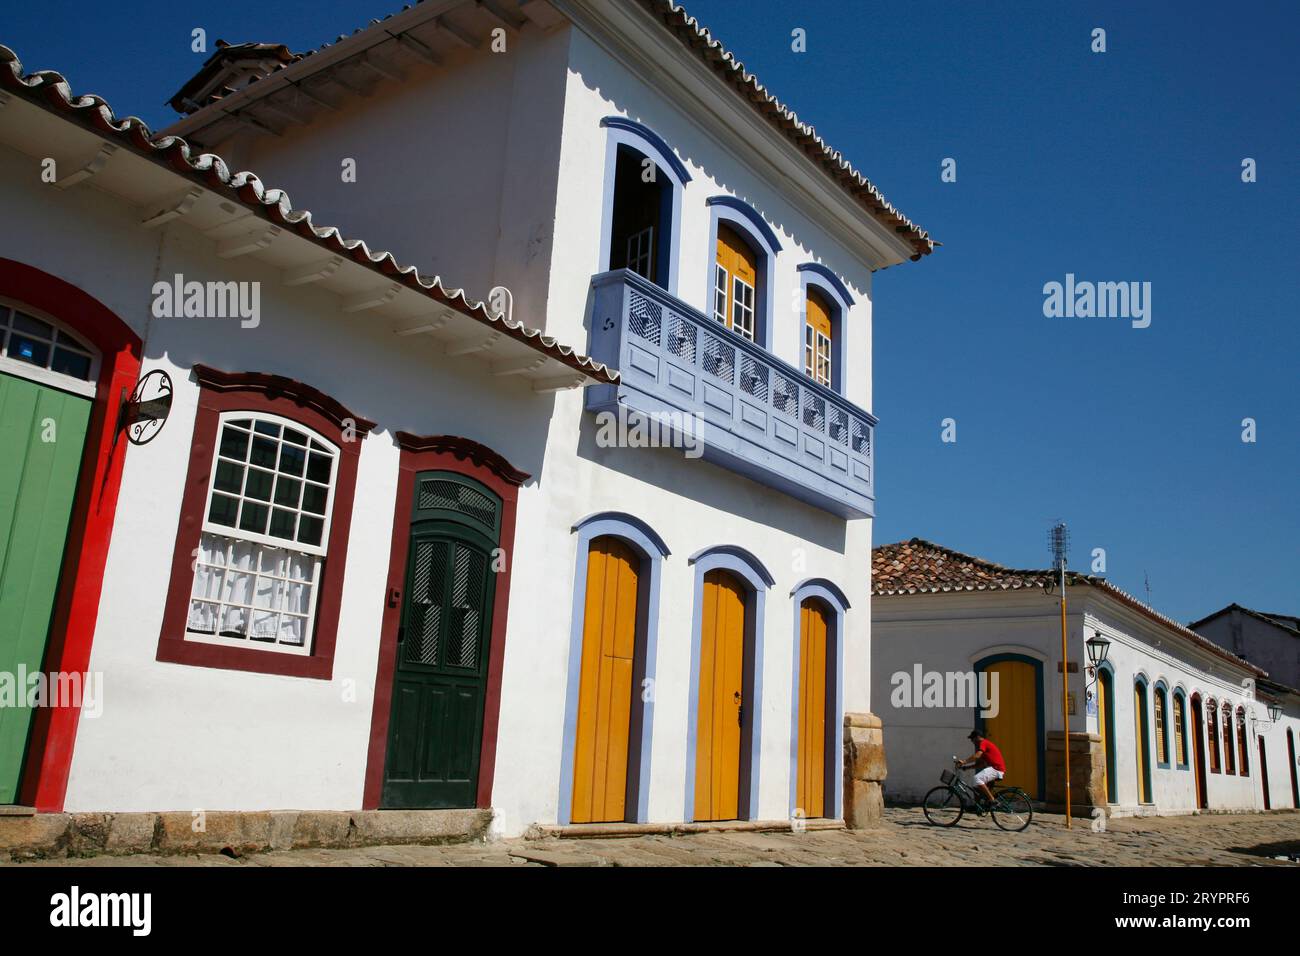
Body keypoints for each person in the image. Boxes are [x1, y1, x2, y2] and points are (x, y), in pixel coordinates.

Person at [958, 729, 1006, 808]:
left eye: (972, 739)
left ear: (977, 737)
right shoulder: (984, 745)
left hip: (996, 769)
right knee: (976, 786)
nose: (972, 741)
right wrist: (967, 767)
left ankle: (992, 800)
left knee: (977, 778)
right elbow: (981, 764)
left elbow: (977, 755)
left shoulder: (983, 743)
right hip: (995, 769)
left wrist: (964, 761)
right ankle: (978, 806)